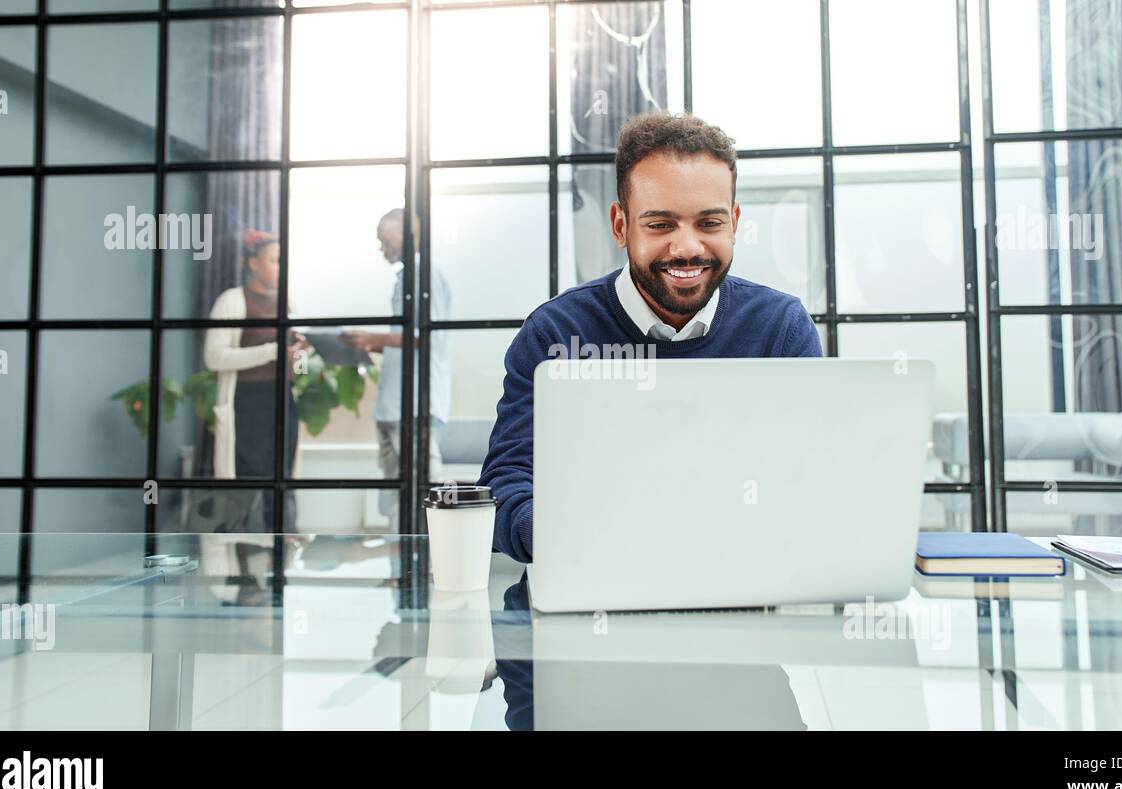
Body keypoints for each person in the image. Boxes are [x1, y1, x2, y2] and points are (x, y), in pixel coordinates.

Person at [478, 112, 823, 563]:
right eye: (660, 225)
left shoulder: (781, 328)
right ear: (621, 226)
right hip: (590, 583)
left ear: (734, 222)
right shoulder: (555, 334)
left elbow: (814, 474)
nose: (687, 248)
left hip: (741, 583)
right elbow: (508, 478)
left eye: (710, 224)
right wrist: (560, 536)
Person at [343, 210, 452, 527]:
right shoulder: (408, 277)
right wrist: (368, 344)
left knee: (419, 493)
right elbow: (406, 339)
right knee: (398, 497)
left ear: (407, 234)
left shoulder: (424, 275)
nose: (381, 248)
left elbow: (423, 335)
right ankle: (399, 568)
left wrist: (371, 336)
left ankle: (420, 568)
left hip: (414, 404)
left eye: (384, 238)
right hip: (395, 406)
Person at [203, 229, 309, 531]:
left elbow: (298, 371)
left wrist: (299, 355)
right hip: (246, 404)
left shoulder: (288, 304)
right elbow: (214, 358)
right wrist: (271, 351)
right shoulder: (231, 302)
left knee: (283, 477)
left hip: (282, 402)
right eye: (275, 260)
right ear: (251, 263)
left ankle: (282, 551)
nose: (281, 267)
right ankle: (241, 564)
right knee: (245, 481)